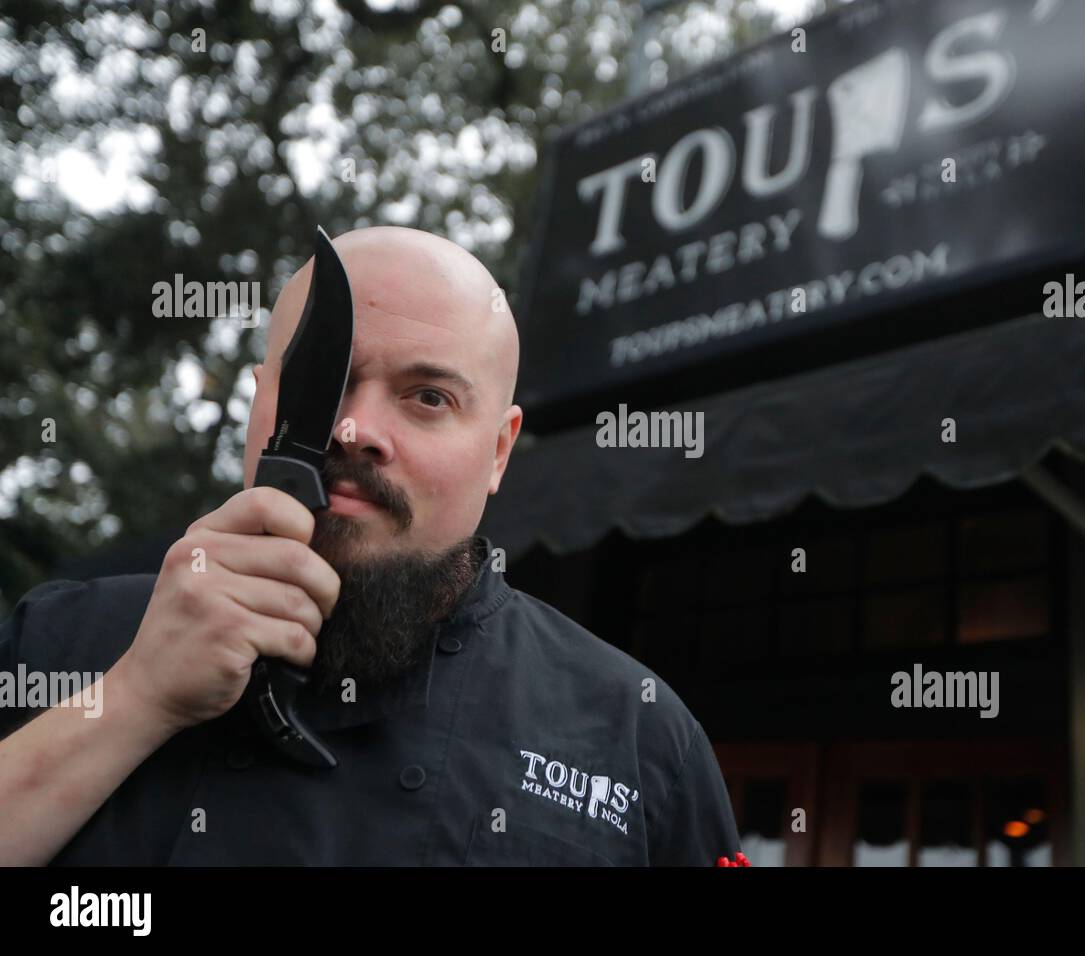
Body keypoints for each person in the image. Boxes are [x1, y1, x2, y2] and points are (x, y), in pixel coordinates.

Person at [0, 226, 742, 866]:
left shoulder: (641, 740)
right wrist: (136, 696)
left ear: (499, 452)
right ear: (261, 400)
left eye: (429, 398)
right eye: (326, 380)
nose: (354, 431)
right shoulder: (57, 640)